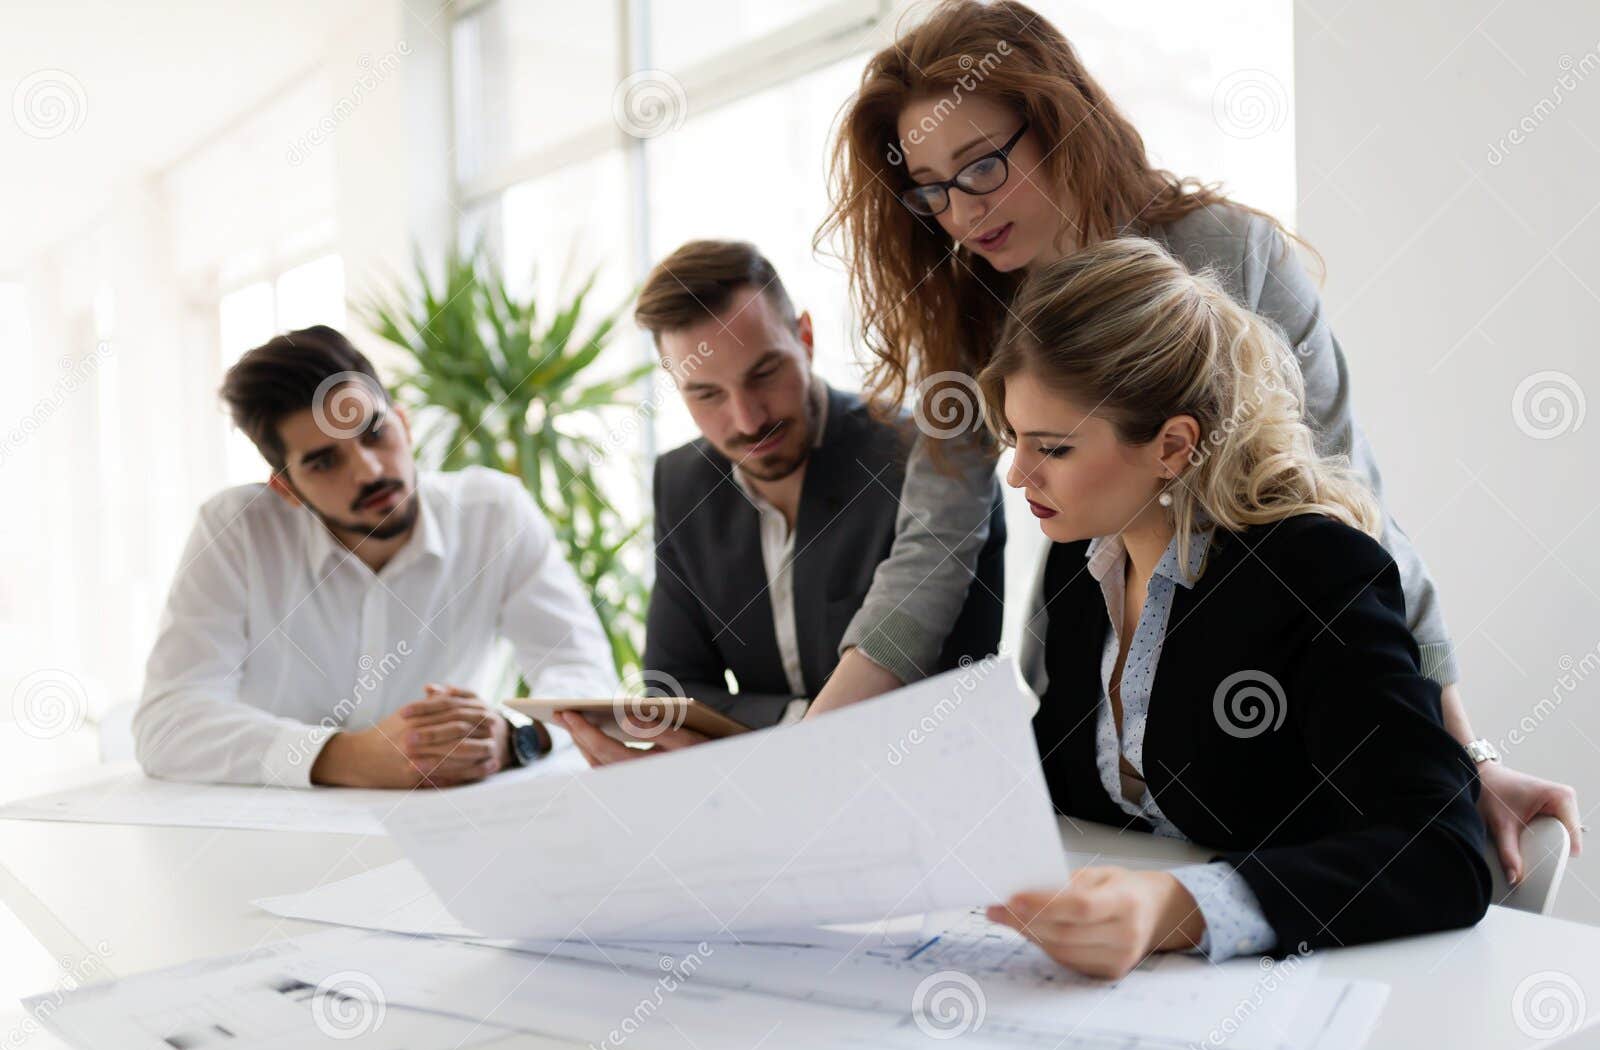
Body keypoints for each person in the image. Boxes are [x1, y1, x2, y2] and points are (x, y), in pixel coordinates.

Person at [809, 0, 1579, 884]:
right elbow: (932, 544)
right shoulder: (972, 300)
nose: (961, 213)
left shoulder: (1227, 254)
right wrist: (804, 761)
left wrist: (1458, 748)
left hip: (1263, 715)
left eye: (982, 166)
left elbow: (1348, 504)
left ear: (1059, 123)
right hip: (1103, 718)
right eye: (932, 189)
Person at [980, 237, 1490, 977]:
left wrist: (1176, 907)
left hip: (1321, 991)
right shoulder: (1082, 553)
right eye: (1013, 438)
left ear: (1172, 445)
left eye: (1052, 448)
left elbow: (1441, 849)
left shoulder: (1315, 571)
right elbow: (1065, 767)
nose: (1018, 471)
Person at [556, 240, 1005, 766]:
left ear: (806, 338)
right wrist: (797, 724)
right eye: (706, 394)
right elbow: (674, 691)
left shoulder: (930, 461)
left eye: (764, 373)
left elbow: (938, 694)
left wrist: (739, 732)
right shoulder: (681, 481)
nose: (746, 420)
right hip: (769, 799)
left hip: (936, 780)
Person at [133, 325, 615, 788]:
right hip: (280, 841)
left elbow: (586, 675)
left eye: (374, 433)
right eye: (324, 461)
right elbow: (167, 722)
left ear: (403, 425)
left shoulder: (493, 514)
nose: (368, 471)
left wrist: (515, 736)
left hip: (448, 826)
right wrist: (344, 757)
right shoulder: (237, 530)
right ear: (286, 488)